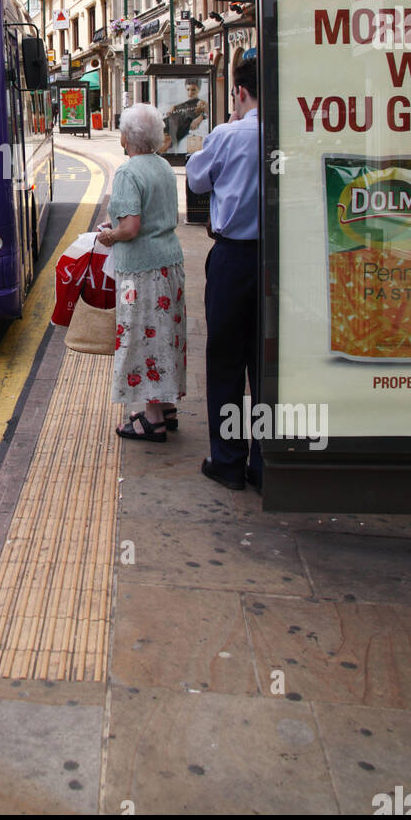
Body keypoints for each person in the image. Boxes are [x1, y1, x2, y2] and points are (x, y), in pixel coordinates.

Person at [186, 57, 260, 493]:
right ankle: (266, 466)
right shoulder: (284, 134)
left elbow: (196, 182)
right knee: (267, 366)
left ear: (239, 92)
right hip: (277, 259)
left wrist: (231, 122)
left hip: (233, 259)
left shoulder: (227, 134)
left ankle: (230, 461)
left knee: (227, 360)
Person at [96, 102, 186, 440]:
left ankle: (152, 419)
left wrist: (110, 235)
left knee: (145, 338)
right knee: (166, 335)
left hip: (141, 273)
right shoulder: (163, 166)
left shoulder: (128, 172)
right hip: (169, 264)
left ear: (127, 138)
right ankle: (165, 405)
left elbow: (131, 227)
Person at [161, 80, 208, 153]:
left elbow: (209, 114)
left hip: (181, 135)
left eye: (193, 90)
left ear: (199, 89)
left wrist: (201, 117)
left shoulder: (202, 104)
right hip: (171, 131)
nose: (190, 93)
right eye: (188, 90)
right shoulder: (178, 106)